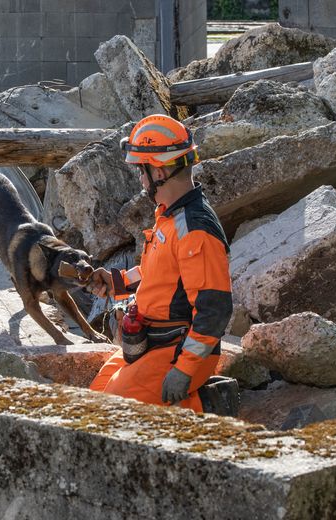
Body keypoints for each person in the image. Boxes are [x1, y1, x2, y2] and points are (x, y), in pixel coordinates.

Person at [87, 114, 236, 414]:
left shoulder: (195, 229)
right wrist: (117, 281)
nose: (141, 180)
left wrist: (184, 370)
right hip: (152, 341)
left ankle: (208, 403)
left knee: (115, 412)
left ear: (160, 171)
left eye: (142, 171)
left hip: (178, 350)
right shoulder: (169, 216)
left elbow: (214, 309)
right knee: (94, 399)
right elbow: (160, 274)